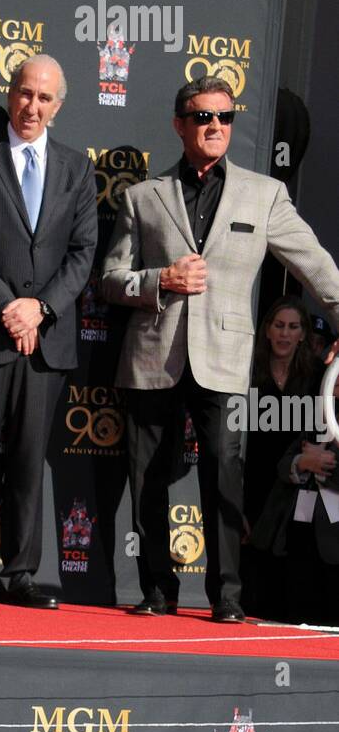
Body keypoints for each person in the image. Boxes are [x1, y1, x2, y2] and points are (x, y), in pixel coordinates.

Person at [101, 75, 339, 622]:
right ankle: (157, 590)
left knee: (224, 475)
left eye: (225, 118)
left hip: (226, 361)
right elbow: (111, 279)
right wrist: (162, 279)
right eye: (203, 116)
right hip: (152, 356)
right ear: (180, 124)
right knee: (148, 478)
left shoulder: (265, 194)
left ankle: (228, 597)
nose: (215, 126)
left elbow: (312, 260)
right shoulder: (144, 196)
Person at [0, 54, 97, 606]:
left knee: (30, 462)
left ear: (58, 105)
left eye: (44, 98)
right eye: (25, 93)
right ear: (11, 94)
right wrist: (9, 307)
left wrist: (40, 310)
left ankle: (19, 575)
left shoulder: (77, 169)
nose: (32, 106)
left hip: (44, 346)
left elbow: (82, 254)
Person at [241, 299, 319, 618]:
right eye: (279, 325)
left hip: (296, 493)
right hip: (253, 491)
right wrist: (238, 506)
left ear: (303, 334)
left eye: (293, 327)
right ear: (267, 331)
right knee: (251, 590)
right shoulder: (247, 374)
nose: (285, 334)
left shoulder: (317, 379)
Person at [250, 433, 339, 626]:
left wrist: (323, 464)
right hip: (300, 529)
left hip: (334, 534)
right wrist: (303, 461)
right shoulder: (318, 423)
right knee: (299, 597)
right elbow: (283, 464)